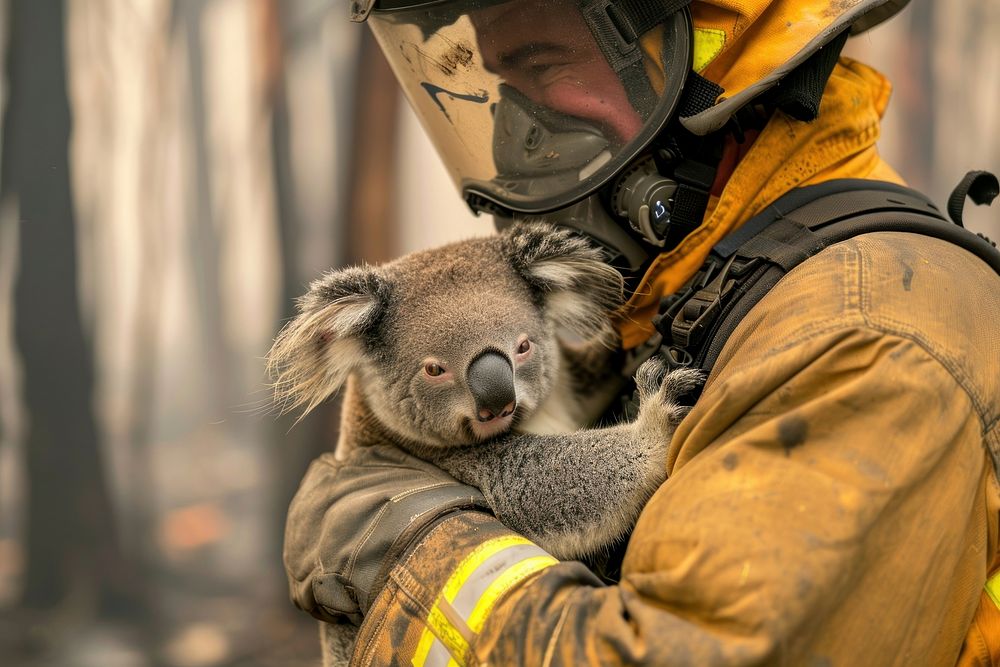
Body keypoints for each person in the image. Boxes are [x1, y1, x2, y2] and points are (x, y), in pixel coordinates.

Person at [284, 0, 1000, 664]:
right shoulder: (699, 285)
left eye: (540, 64)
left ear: (712, 53)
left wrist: (407, 558)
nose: (509, 133)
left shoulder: (863, 335)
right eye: (495, 86)